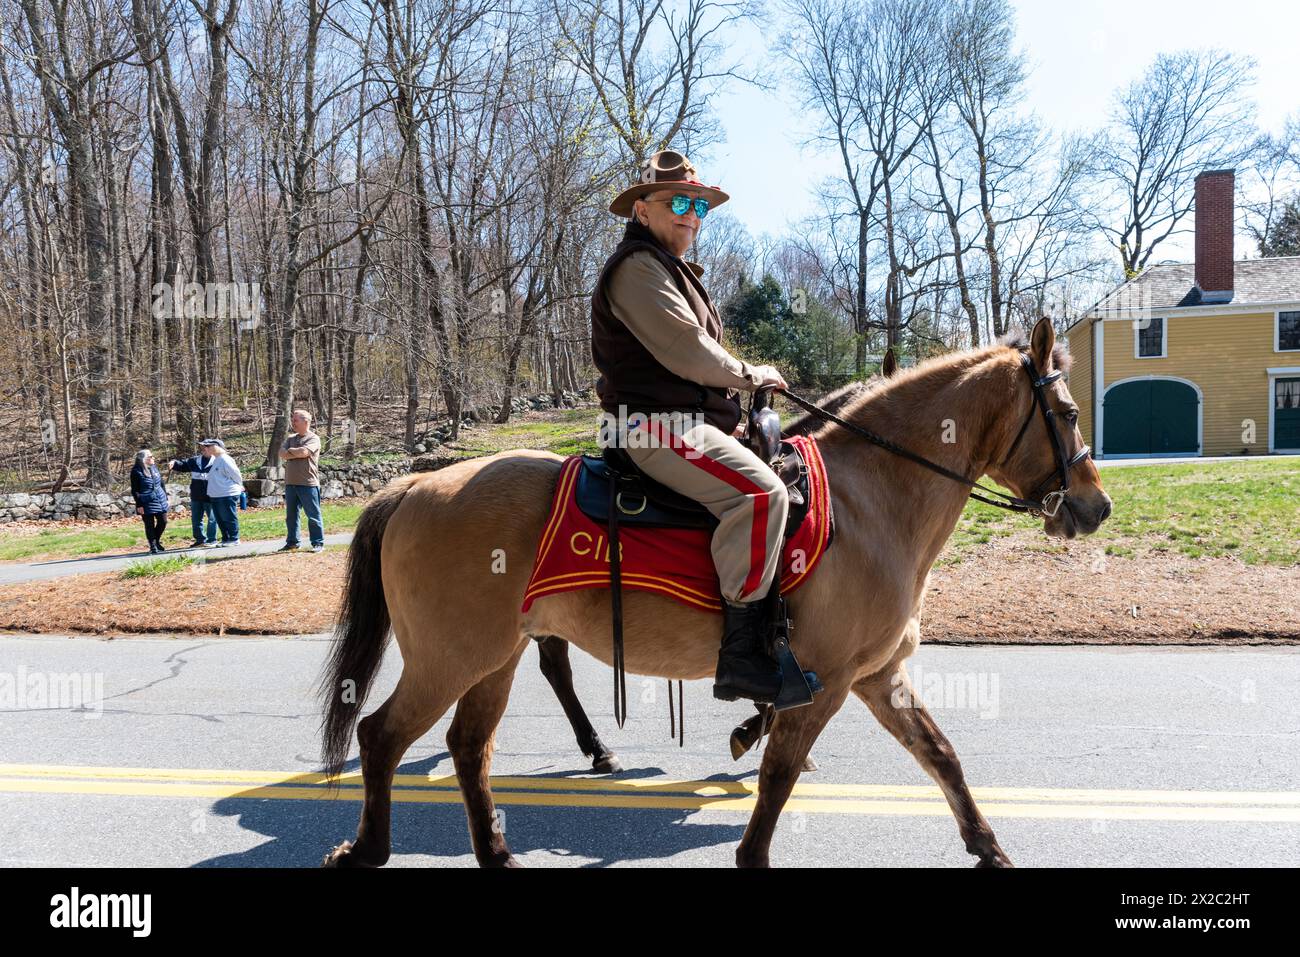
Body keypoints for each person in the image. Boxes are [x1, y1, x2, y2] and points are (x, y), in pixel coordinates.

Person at [591, 149, 790, 704]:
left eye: (700, 205)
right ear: (642, 211)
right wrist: (750, 375)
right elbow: (687, 351)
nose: (691, 214)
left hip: (686, 424)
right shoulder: (636, 268)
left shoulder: (669, 268)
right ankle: (743, 656)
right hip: (653, 429)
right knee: (761, 493)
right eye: (678, 202)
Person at [278, 408, 325, 553]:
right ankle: (292, 542)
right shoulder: (291, 438)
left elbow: (304, 452)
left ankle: (318, 543)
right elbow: (281, 453)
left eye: (295, 420)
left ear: (306, 422)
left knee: (313, 515)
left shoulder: (313, 438)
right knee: (291, 516)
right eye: (293, 420)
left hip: (308, 483)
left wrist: (290, 451)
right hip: (291, 483)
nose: (293, 423)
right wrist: (294, 451)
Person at [169, 443, 217, 548]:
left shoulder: (217, 461)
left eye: (206, 447)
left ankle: (212, 540)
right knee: (196, 519)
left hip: (211, 496)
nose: (203, 449)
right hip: (196, 496)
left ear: (212, 449)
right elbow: (182, 464)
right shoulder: (195, 461)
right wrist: (174, 462)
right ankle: (200, 539)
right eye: (202, 447)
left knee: (212, 519)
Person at [202, 438, 244, 547]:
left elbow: (236, 474)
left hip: (227, 494)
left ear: (217, 446)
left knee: (228, 517)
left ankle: (234, 538)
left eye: (208, 446)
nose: (206, 448)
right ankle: (226, 538)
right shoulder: (216, 459)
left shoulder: (225, 459)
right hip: (216, 495)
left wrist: (239, 486)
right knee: (220, 519)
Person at [129, 449, 171, 554]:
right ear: (144, 459)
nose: (153, 458)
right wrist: (139, 504)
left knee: (163, 521)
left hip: (160, 499)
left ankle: (156, 541)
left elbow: (161, 483)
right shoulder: (136, 471)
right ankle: (153, 546)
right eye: (151, 457)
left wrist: (166, 498)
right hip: (145, 501)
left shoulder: (154, 468)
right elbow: (135, 490)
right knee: (149, 524)